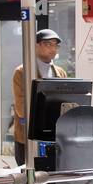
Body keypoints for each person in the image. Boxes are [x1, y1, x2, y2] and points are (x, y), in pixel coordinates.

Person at [12, 28, 67, 166]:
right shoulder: (22, 72)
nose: (53, 49)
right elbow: (21, 108)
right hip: (28, 136)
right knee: (29, 177)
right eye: (48, 44)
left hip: (55, 135)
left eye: (56, 45)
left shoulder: (60, 72)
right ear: (36, 45)